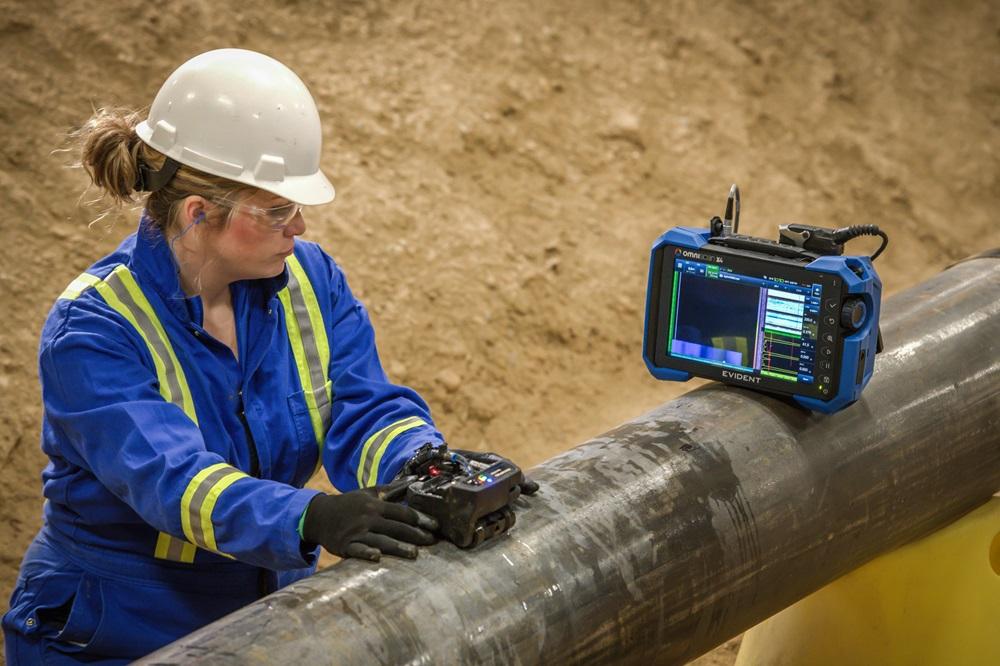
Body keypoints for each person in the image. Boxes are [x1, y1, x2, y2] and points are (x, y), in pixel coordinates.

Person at [3, 48, 522, 664]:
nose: (299, 226)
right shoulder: (93, 331)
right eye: (278, 210)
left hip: (267, 601)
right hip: (118, 623)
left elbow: (365, 409)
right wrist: (313, 519)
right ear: (199, 213)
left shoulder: (310, 280)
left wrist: (429, 470)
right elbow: (176, 484)